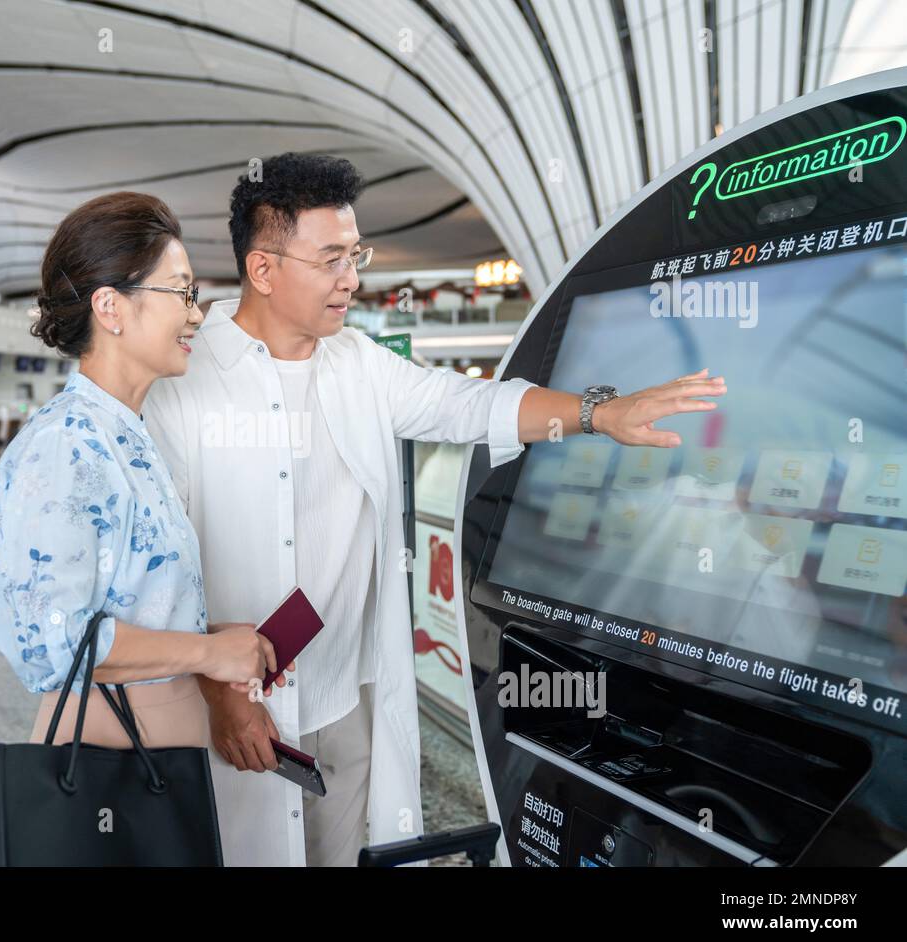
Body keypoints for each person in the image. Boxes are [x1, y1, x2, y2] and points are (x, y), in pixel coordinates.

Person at [142, 153, 728, 866]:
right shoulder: (185, 381)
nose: (351, 278)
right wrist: (221, 690)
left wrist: (599, 413)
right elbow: (164, 563)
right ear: (264, 270)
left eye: (354, 255)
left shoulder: (359, 364)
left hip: (341, 696)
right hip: (227, 709)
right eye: (330, 259)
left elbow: (471, 404)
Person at [0, 191, 293, 756]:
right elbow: (58, 639)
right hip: (106, 755)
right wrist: (205, 654)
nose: (196, 312)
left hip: (158, 746)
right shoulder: (63, 449)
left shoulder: (126, 434)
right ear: (110, 307)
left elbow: (125, 600)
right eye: (180, 291)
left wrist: (207, 635)